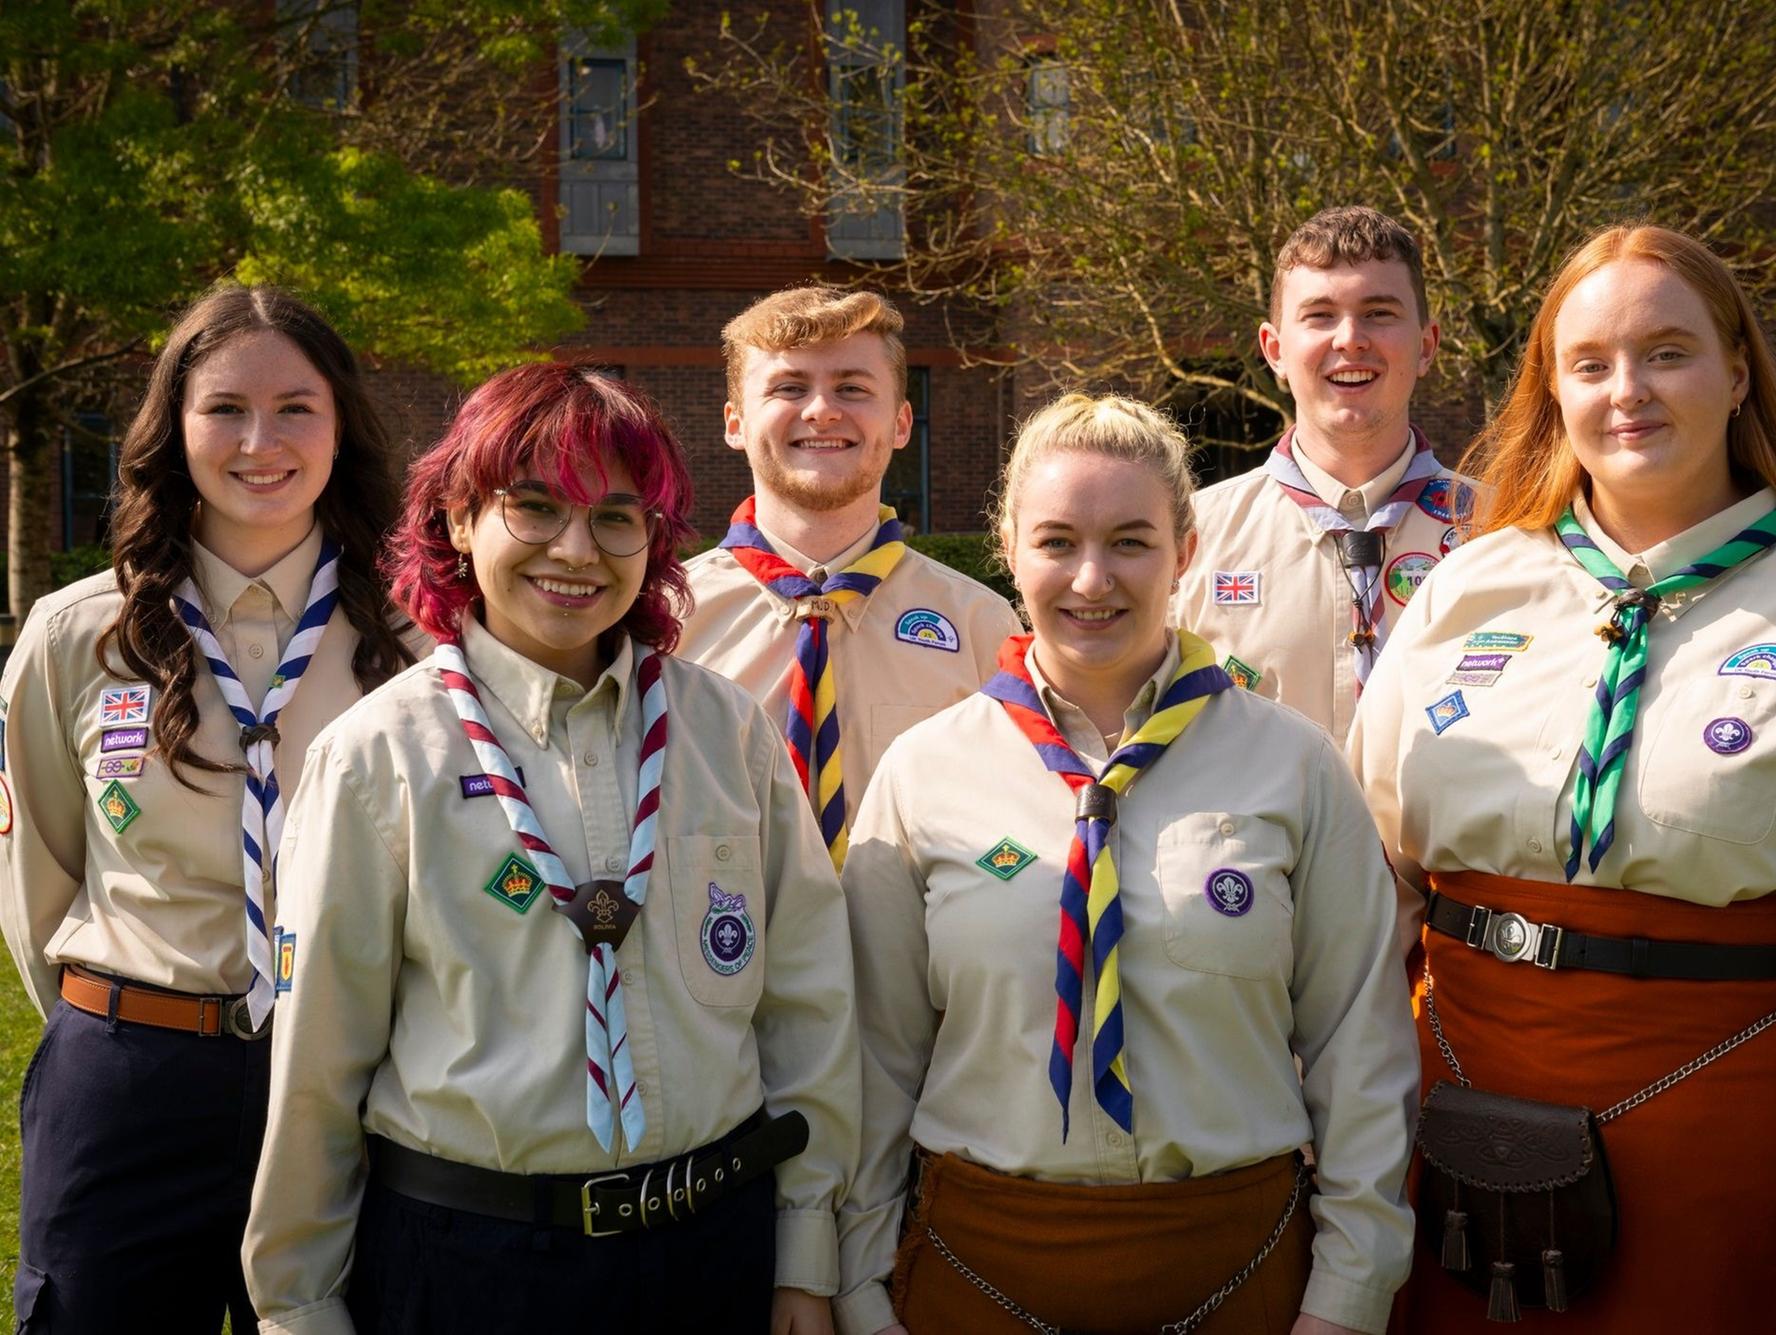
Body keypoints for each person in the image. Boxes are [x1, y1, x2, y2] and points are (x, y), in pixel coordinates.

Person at [1347, 224, 1776, 1334]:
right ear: (1553, 392)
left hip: (1727, 1168)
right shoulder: (1465, 593)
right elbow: (1360, 911)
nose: (1624, 390)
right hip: (1451, 1155)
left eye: (1665, 352)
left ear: (1735, 373)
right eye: (1586, 364)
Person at [240, 364, 860, 1335]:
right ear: (455, 519)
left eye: (617, 519)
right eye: (533, 508)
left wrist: (804, 1256)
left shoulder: (725, 733)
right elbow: (319, 1067)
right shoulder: (379, 759)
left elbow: (808, 1010)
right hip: (472, 1269)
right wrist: (298, 1309)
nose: (576, 550)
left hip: (714, 1254)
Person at [833, 393, 1419, 1335]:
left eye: (1132, 541)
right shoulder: (924, 772)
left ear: (1186, 551)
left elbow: (1361, 1046)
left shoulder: (1295, 764)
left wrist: (1350, 1292)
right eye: (1057, 541)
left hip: (1237, 1262)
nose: (1092, 578)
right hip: (981, 1267)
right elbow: (873, 1058)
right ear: (1010, 548)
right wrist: (857, 1281)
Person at [0, 284, 418, 1332]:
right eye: (224, 407)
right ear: (173, 425)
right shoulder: (75, 635)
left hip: (351, 1083)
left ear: (340, 427)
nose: (258, 441)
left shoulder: (420, 640)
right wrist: (119, 1037)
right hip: (132, 1082)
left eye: (295, 408)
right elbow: (40, 870)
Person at [678, 286, 1020, 866]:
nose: (821, 410)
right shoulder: (667, 618)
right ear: (735, 423)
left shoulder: (983, 628)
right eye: (789, 387)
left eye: (853, 388)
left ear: (902, 422)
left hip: (911, 953)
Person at [1173, 205, 1472, 740]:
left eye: (1379, 312)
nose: (1350, 339)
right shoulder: (1189, 541)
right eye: (1319, 315)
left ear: (1427, 346)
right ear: (1275, 350)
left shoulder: (1506, 531)